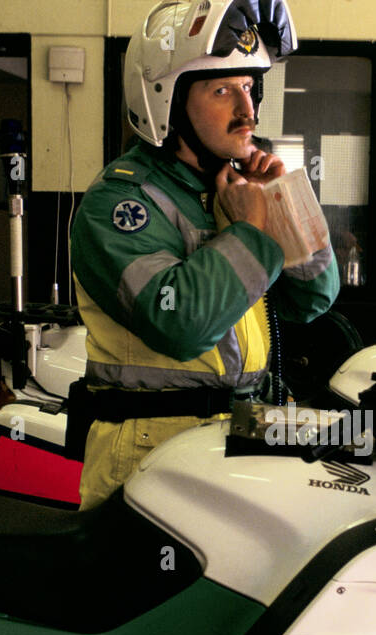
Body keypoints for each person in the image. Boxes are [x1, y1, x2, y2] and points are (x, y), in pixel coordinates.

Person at [70, 0, 339, 508]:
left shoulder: (228, 189)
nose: (248, 111)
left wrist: (284, 203)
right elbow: (181, 325)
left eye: (249, 88)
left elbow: (313, 301)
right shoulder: (121, 202)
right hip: (150, 450)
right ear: (165, 101)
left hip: (234, 431)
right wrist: (254, 232)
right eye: (223, 90)